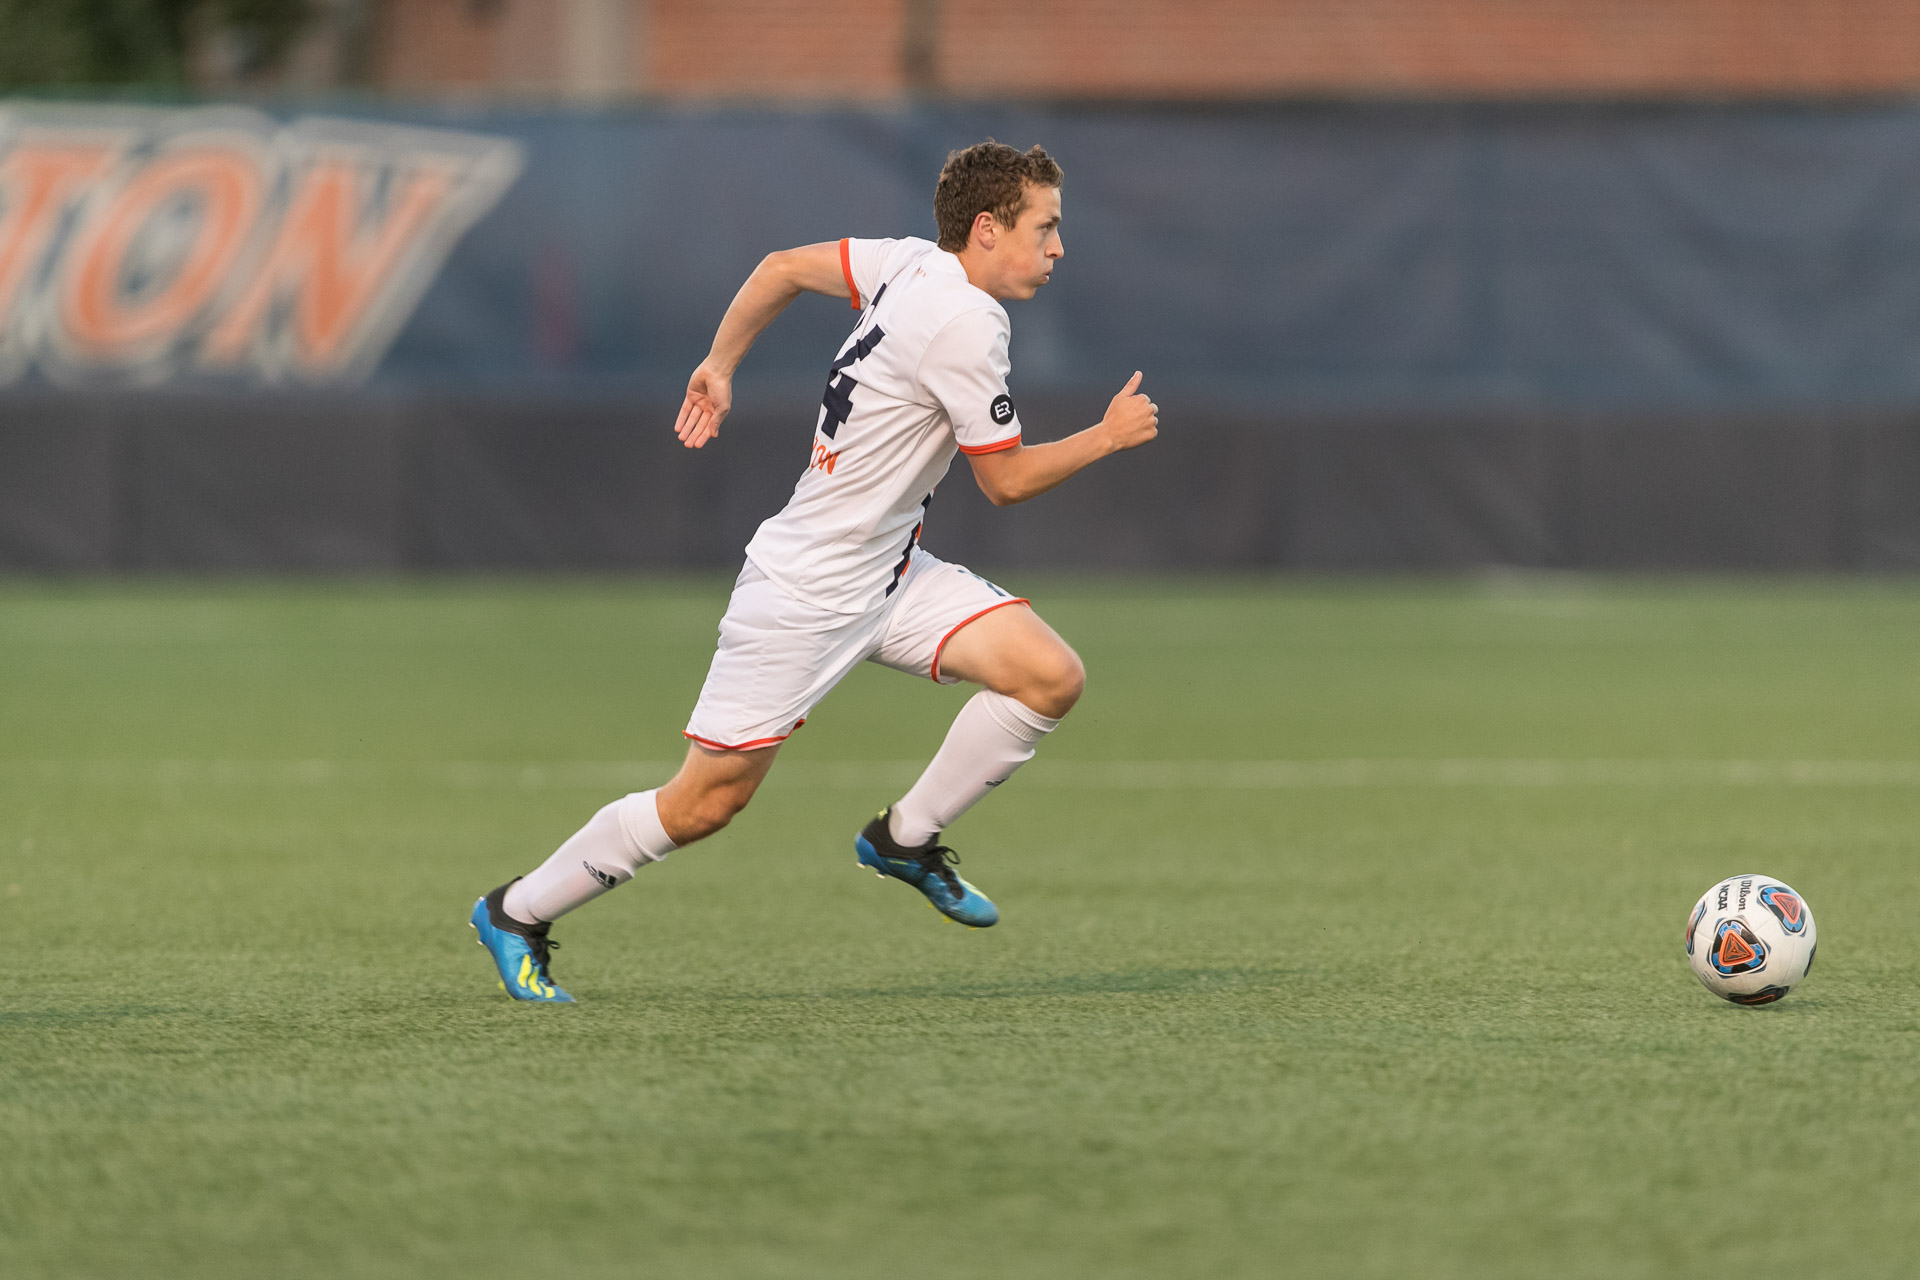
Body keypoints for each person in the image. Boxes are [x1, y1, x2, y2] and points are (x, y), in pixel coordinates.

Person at [470, 140, 1159, 1001]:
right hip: (804, 593)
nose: (1058, 247)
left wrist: (720, 365)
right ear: (987, 228)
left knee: (1049, 676)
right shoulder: (966, 320)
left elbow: (781, 268)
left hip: (888, 573)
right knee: (704, 804)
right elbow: (1006, 482)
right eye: (1045, 227)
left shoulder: (909, 261)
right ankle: (515, 911)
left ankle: (904, 839)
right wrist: (1106, 436)